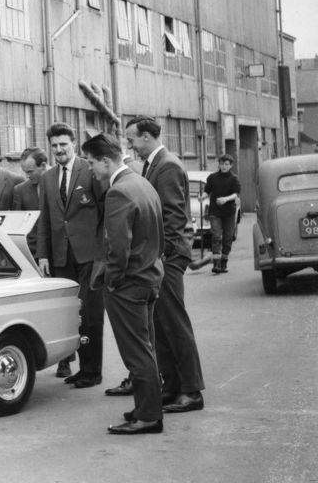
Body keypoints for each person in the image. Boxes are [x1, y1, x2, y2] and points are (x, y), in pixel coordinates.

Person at [119, 116, 205, 413]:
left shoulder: (166, 165)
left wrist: (162, 256)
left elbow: (173, 217)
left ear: (145, 137)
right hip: (162, 256)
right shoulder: (156, 163)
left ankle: (192, 391)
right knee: (161, 323)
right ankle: (172, 387)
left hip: (167, 256)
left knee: (174, 323)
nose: (130, 145)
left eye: (132, 139)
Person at [82, 133, 165, 435]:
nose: (90, 169)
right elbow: (159, 233)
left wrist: (114, 281)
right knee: (146, 347)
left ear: (105, 160)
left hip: (128, 284)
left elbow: (117, 246)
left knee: (136, 353)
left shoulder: (118, 191)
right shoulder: (142, 183)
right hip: (149, 276)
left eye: (91, 163)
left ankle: (149, 417)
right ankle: (146, 408)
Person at [36, 123, 104, 387]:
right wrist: (43, 255)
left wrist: (101, 252)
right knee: (69, 315)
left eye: (63, 144)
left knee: (89, 314)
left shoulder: (89, 170)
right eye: (54, 145)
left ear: (73, 143)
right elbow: (45, 220)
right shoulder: (48, 177)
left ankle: (92, 370)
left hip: (89, 256)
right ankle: (79, 368)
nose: (59, 149)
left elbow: (103, 212)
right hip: (61, 257)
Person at [201, 153, 241, 274]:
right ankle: (216, 264)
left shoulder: (234, 179)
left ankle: (224, 262)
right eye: (221, 164)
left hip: (229, 212)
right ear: (218, 164)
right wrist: (202, 197)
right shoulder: (212, 178)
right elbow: (207, 191)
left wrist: (225, 199)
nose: (223, 166)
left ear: (231, 166)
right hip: (215, 212)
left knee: (228, 238)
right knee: (216, 236)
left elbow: (236, 194)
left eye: (226, 164)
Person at [13, 146, 49, 249]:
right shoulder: (20, 190)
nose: (26, 176)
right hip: (34, 251)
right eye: (25, 172)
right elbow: (18, 227)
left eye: (30, 172)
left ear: (43, 166)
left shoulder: (61, 182)